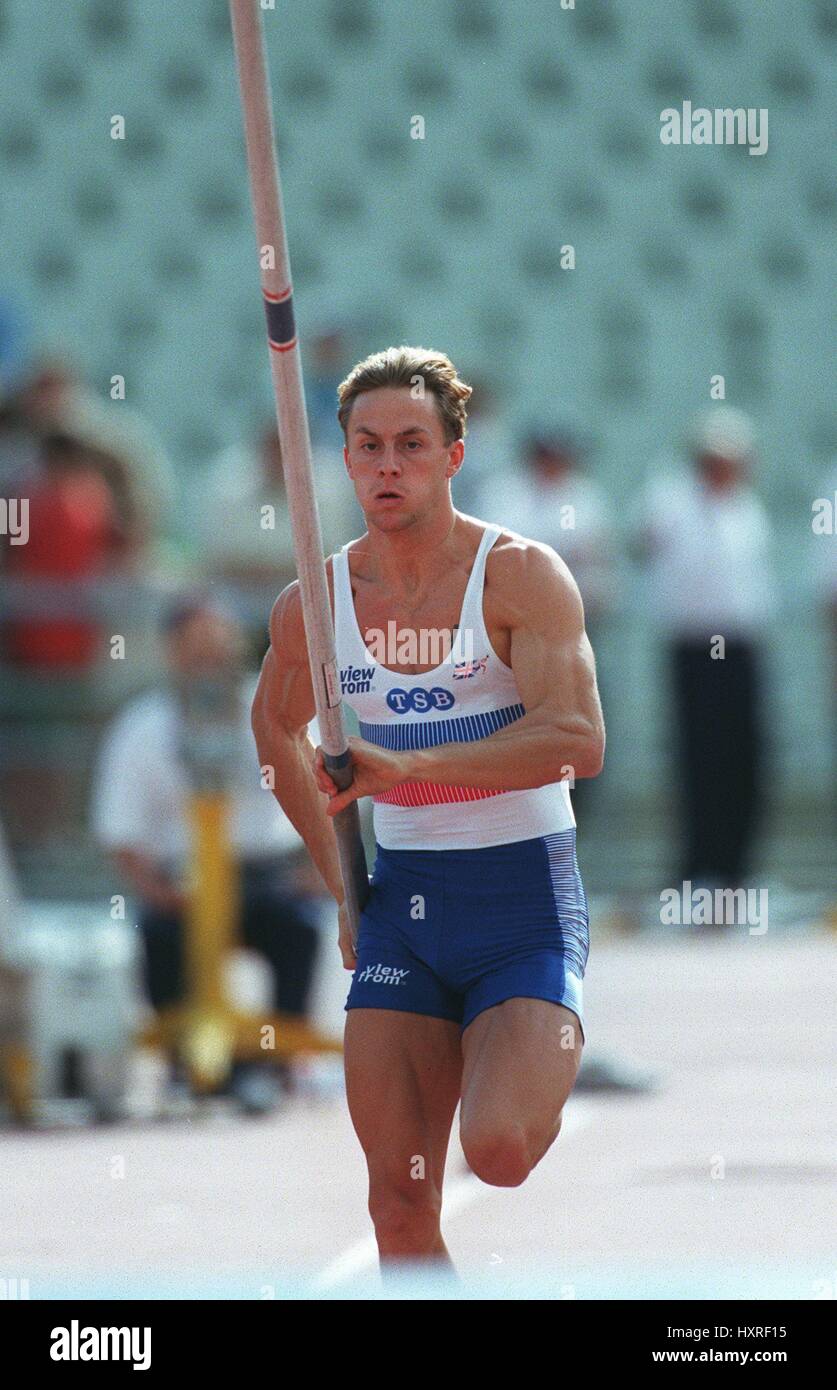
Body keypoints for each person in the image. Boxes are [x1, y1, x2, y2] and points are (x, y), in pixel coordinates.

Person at [252, 346, 605, 1266]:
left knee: (497, 1152)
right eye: (366, 446)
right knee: (400, 1203)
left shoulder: (518, 575)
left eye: (411, 444)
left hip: (522, 902)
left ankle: (536, 1063)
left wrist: (407, 767)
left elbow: (577, 738)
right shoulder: (316, 604)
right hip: (404, 913)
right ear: (343, 460)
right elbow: (275, 737)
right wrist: (346, 889)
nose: (387, 466)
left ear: (453, 455)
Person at [92, 594, 322, 1115]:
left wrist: (317, 871)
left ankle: (275, 1064)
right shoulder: (141, 728)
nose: (208, 661)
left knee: (296, 928)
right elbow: (121, 830)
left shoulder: (273, 711)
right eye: (194, 649)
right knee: (159, 934)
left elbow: (326, 790)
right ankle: (185, 1064)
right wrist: (155, 890)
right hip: (183, 875)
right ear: (171, 652)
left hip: (265, 873)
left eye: (217, 646)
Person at [635, 407, 776, 891]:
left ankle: (738, 870)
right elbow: (644, 544)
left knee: (746, 758)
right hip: (696, 647)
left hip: (742, 646)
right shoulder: (673, 500)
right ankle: (698, 869)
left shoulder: (745, 505)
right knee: (699, 757)